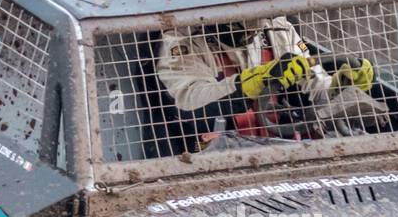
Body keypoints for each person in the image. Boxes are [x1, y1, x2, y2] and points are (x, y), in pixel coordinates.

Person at [155, 18, 374, 148]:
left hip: (284, 150)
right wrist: (248, 84)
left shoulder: (280, 27)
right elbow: (188, 99)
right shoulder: (180, 39)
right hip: (217, 159)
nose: (257, 19)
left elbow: (316, 85)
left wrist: (343, 87)